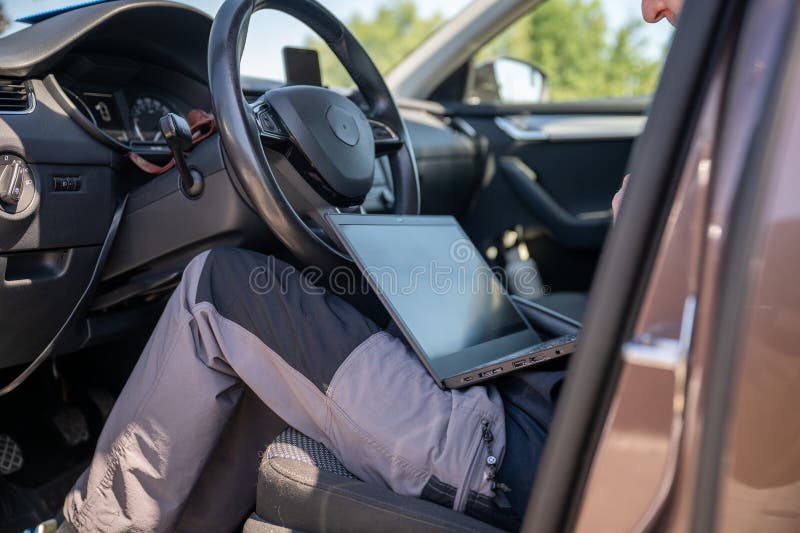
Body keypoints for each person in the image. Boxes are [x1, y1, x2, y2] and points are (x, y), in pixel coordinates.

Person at [32, 1, 682, 531]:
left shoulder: (744, 165)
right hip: (543, 407)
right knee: (286, 346)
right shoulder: (749, 150)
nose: (651, 9)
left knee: (217, 288)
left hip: (510, 452)